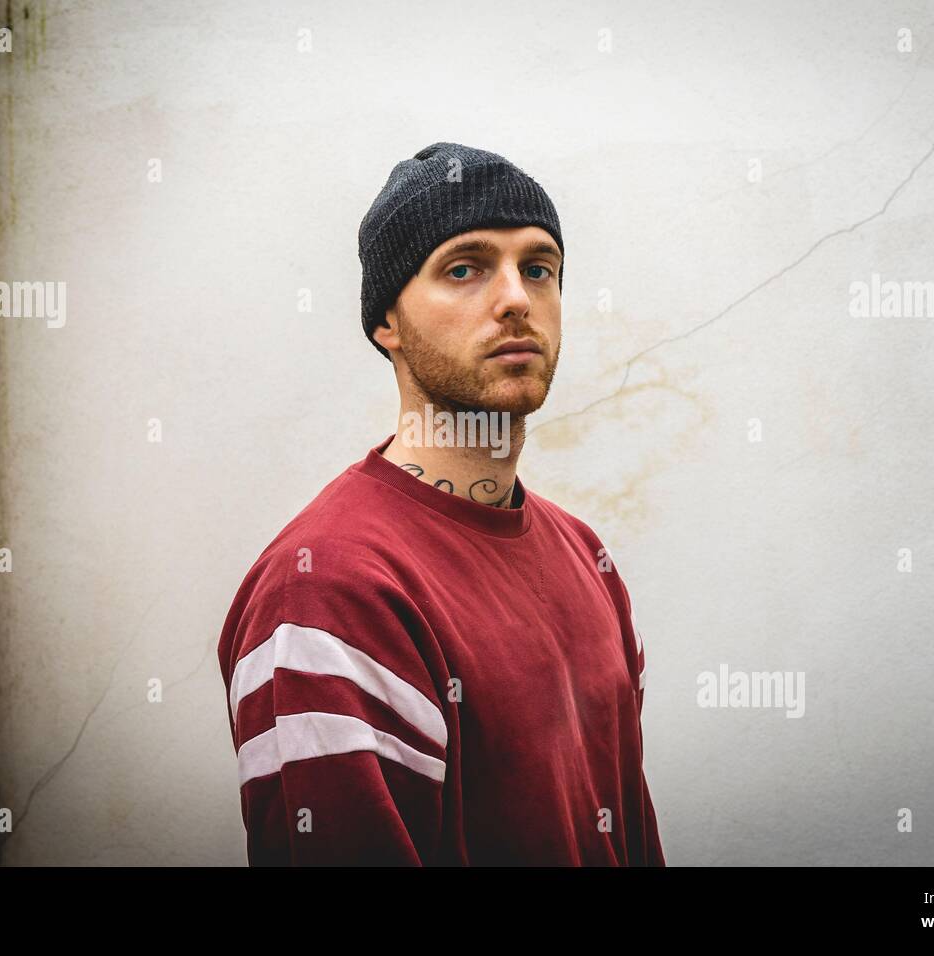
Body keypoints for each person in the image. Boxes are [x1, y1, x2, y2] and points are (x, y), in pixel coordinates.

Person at [217, 142, 664, 865]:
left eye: (539, 268)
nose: (517, 298)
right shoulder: (330, 590)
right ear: (387, 322)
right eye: (464, 268)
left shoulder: (589, 557)